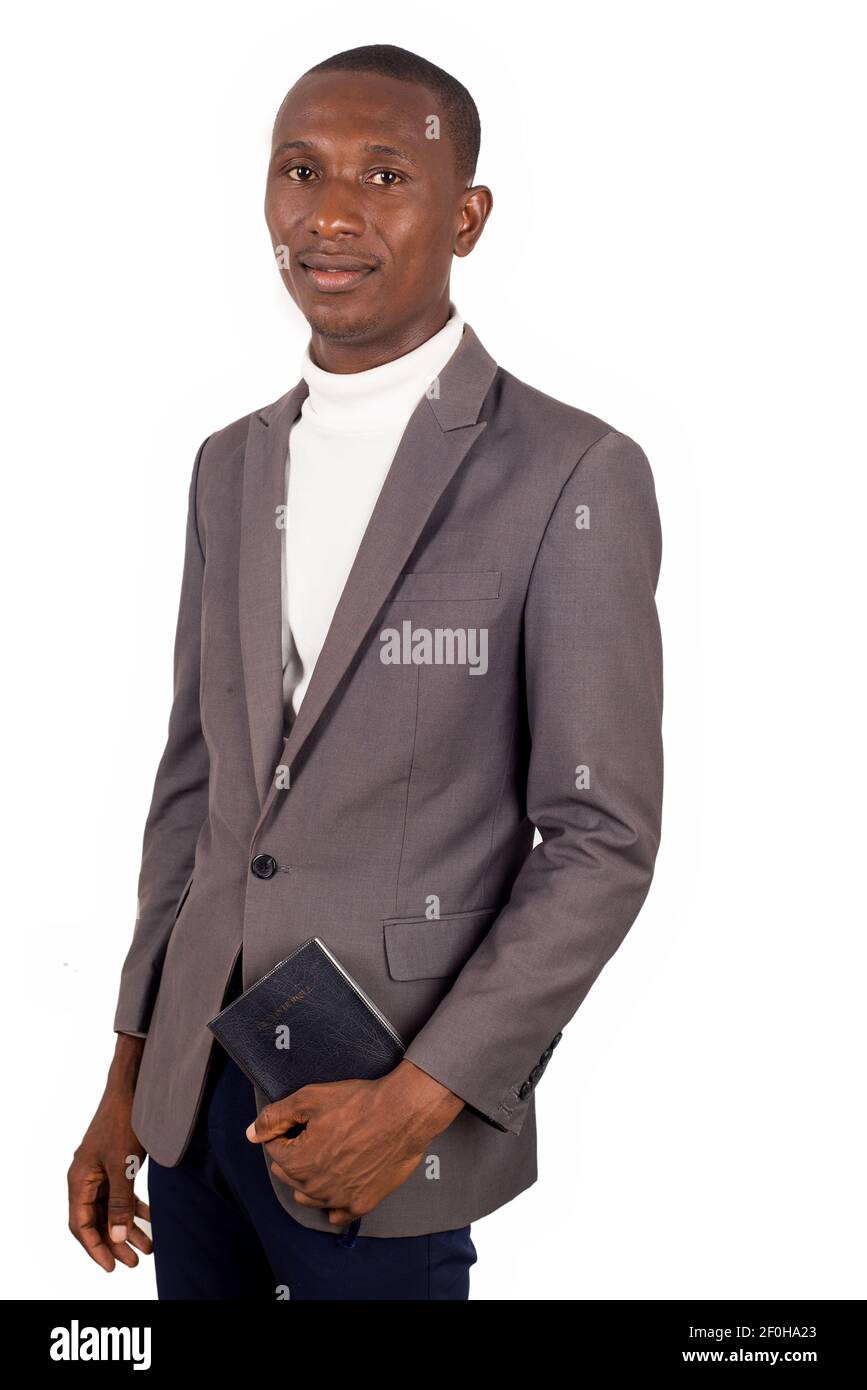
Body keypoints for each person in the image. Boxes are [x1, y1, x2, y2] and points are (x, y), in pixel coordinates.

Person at [68, 43, 664, 1301]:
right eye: (301, 171)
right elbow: (196, 794)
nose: (330, 212)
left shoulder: (571, 471)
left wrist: (414, 1100)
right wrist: (128, 1075)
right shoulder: (229, 467)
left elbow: (600, 839)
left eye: (384, 175)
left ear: (466, 216)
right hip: (191, 1110)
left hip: (382, 1107)